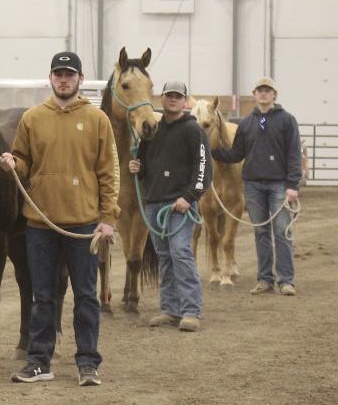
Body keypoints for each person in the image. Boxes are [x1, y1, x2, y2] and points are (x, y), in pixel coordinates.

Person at [0, 51, 118, 387]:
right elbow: (24, 161)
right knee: (42, 296)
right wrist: (13, 164)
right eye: (58, 74)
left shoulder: (97, 120)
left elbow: (108, 173)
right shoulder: (33, 118)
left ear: (81, 79)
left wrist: (108, 218)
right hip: (41, 223)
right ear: (51, 78)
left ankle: (88, 362)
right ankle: (39, 361)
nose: (63, 80)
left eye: (69, 74)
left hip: (84, 223)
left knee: (85, 296)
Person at [129, 81, 212, 332]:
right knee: (164, 256)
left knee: (180, 253)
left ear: (185, 101)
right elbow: (144, 165)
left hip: (180, 205)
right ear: (162, 98)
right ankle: (170, 309)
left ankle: (190, 310)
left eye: (178, 96)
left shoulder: (193, 130)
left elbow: (203, 168)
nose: (173, 99)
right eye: (169, 95)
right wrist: (137, 168)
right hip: (155, 203)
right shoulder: (153, 130)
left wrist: (190, 197)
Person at [212, 77, 302, 296]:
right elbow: (237, 153)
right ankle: (265, 279)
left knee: (282, 232)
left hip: (279, 184)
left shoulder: (287, 120)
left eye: (267, 90)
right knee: (260, 232)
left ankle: (286, 281)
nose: (263, 93)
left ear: (274, 95)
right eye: (260, 90)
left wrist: (292, 184)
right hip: (253, 185)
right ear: (254, 94)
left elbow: (294, 153)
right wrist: (212, 152)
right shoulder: (247, 123)